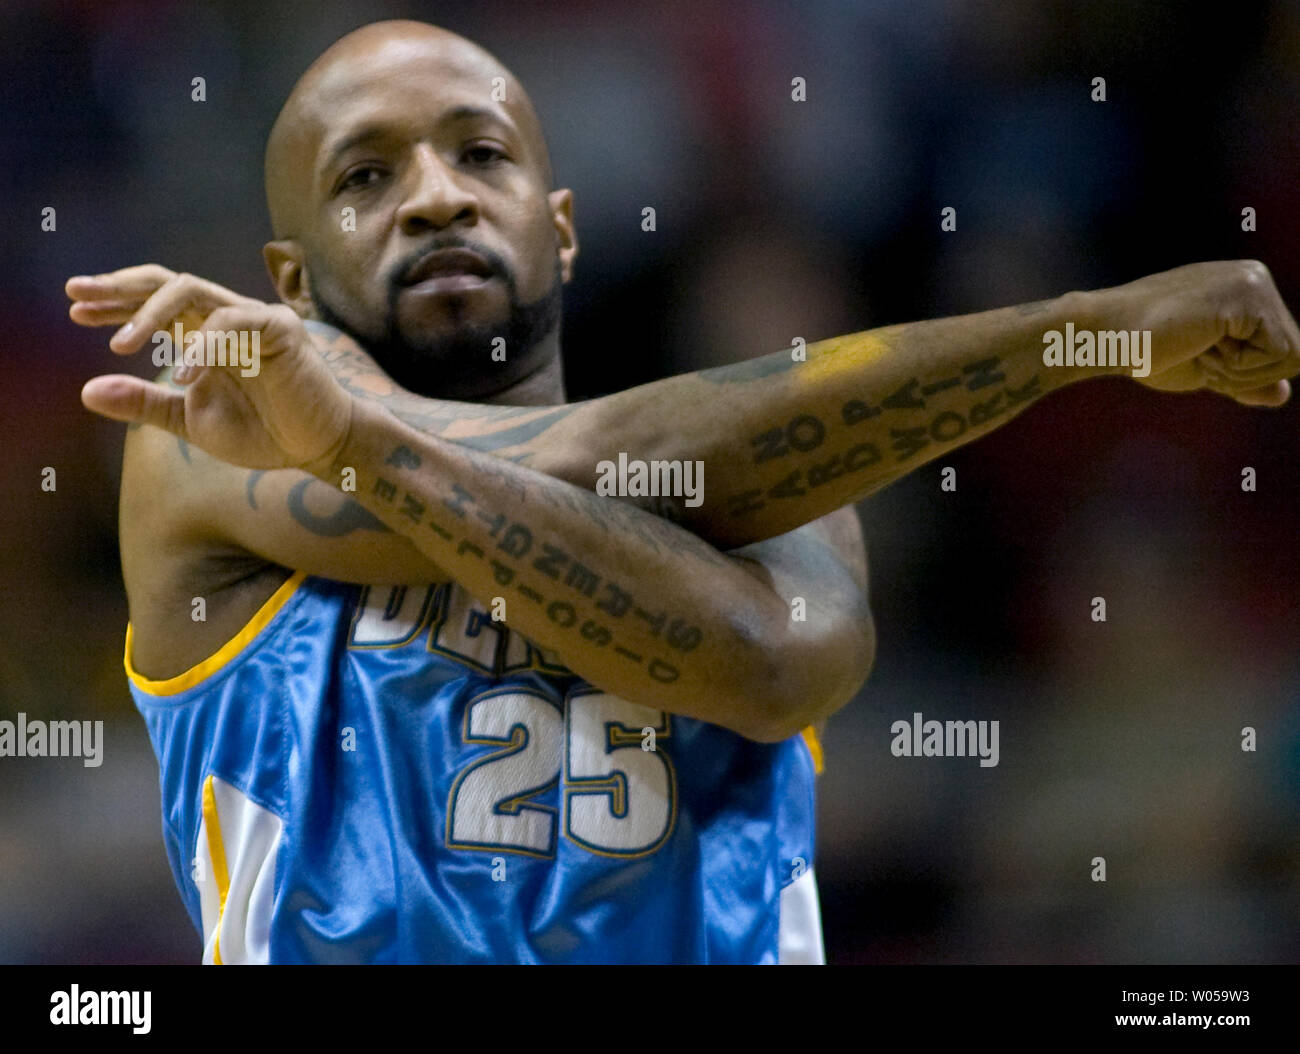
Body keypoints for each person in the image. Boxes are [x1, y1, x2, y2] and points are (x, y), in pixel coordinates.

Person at [69, 20, 1298, 964]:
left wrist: (357, 451)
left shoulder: (779, 486)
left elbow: (768, 672)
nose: (436, 194)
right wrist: (1081, 331)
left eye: (480, 153)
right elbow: (582, 463)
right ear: (288, 280)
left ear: (560, 228)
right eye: (365, 177)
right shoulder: (209, 432)